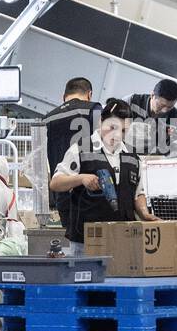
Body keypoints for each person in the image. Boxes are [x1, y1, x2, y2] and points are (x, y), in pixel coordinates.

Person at [50, 97, 159, 254]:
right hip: (86, 240)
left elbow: (138, 193)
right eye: (112, 127)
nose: (117, 135)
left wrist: (144, 213)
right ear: (101, 120)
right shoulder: (81, 150)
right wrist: (81, 178)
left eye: (123, 131)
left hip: (123, 237)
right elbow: (56, 183)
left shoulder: (132, 157)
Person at [41, 77, 102, 222]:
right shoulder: (94, 110)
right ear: (89, 94)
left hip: (61, 192)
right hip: (91, 192)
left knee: (71, 239)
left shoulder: (47, 119)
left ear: (64, 97)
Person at [127, 78, 177, 155]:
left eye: (170, 107)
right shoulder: (131, 102)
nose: (164, 110)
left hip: (150, 161)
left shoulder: (176, 119)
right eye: (161, 105)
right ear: (152, 95)